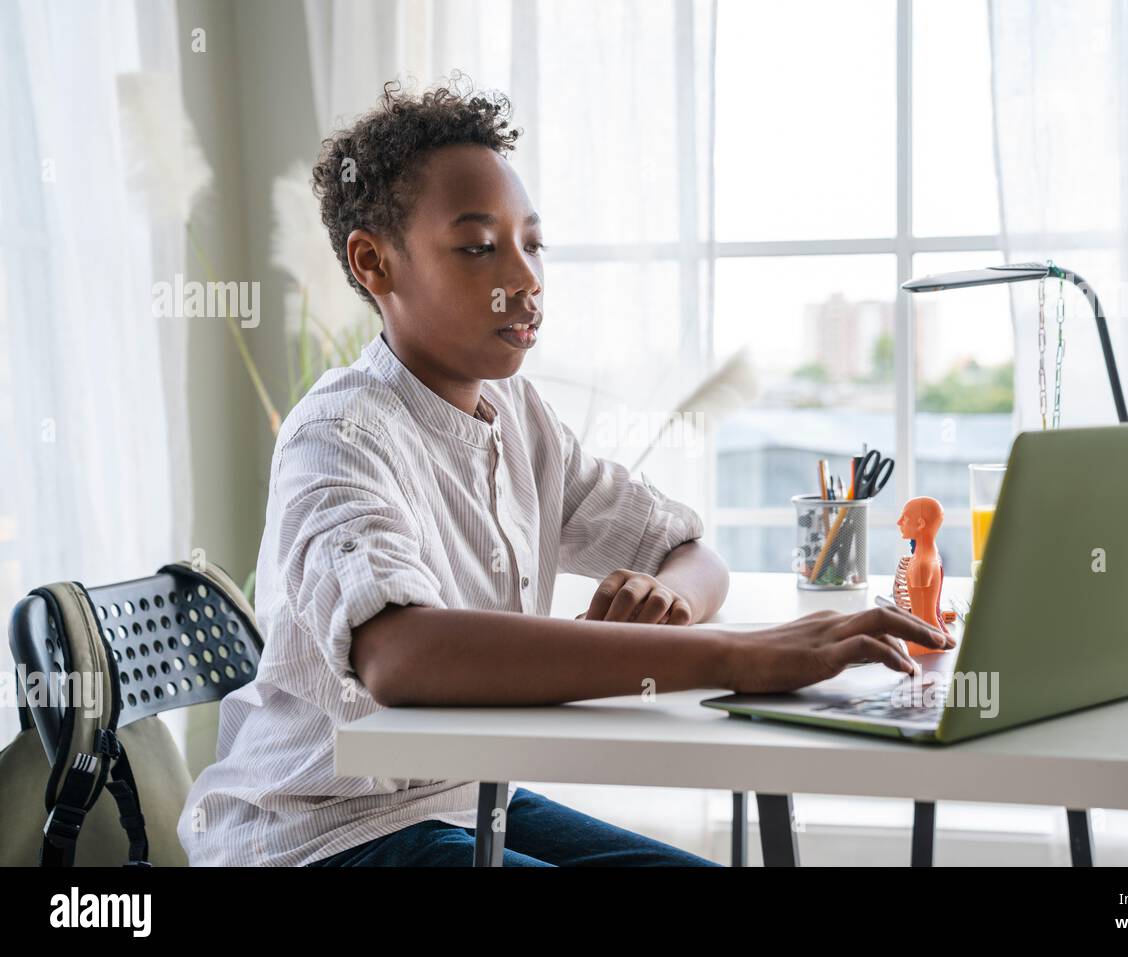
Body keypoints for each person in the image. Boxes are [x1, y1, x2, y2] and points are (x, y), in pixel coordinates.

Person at [177, 79, 952, 867]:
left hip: (461, 795)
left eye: (532, 243)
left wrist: (672, 598)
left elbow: (688, 547)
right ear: (375, 263)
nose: (526, 278)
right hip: (318, 836)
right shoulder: (338, 432)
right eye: (479, 247)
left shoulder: (519, 414)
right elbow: (400, 656)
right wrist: (740, 655)